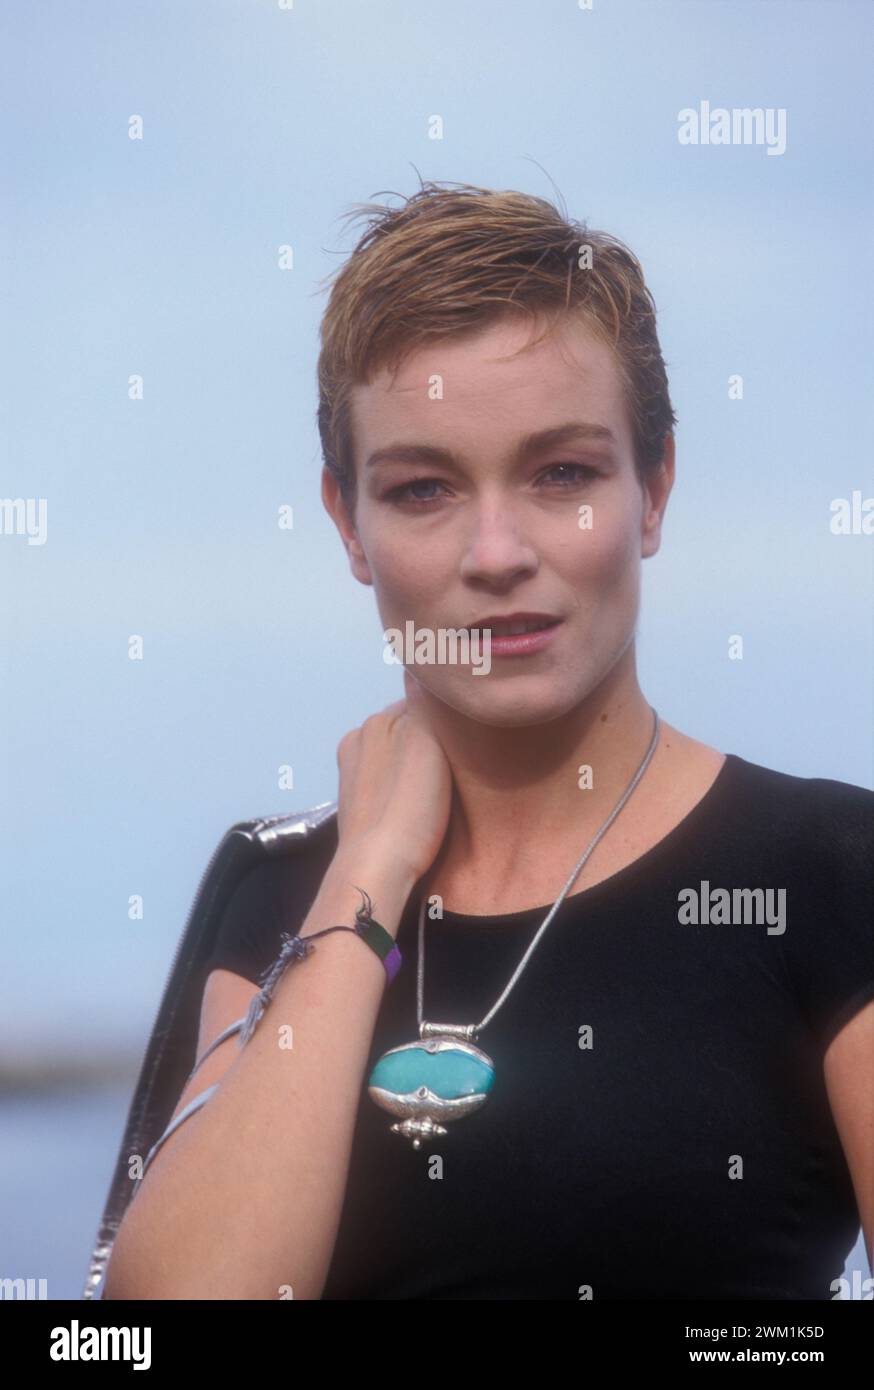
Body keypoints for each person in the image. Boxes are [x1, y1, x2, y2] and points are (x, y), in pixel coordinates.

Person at [101, 181, 873, 1300]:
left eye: (563, 472)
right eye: (423, 489)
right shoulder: (280, 889)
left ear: (653, 488)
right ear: (347, 525)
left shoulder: (829, 867)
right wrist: (365, 875)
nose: (498, 550)